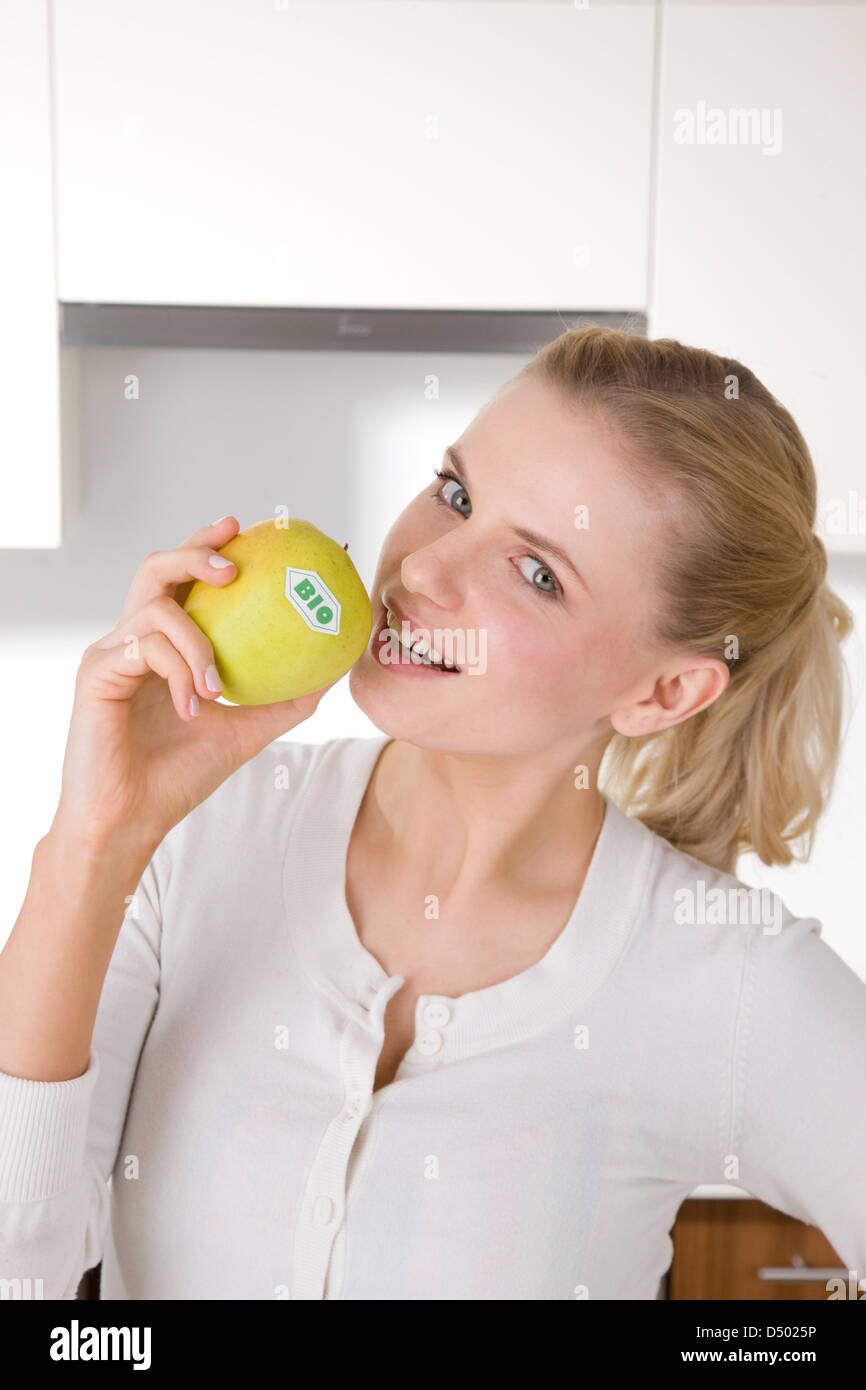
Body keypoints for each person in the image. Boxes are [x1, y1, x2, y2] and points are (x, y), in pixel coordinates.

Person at [1, 326, 864, 1301]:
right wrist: (92, 843)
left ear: (661, 693)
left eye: (535, 571)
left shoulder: (724, 980)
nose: (423, 570)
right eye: (455, 493)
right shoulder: (201, 831)